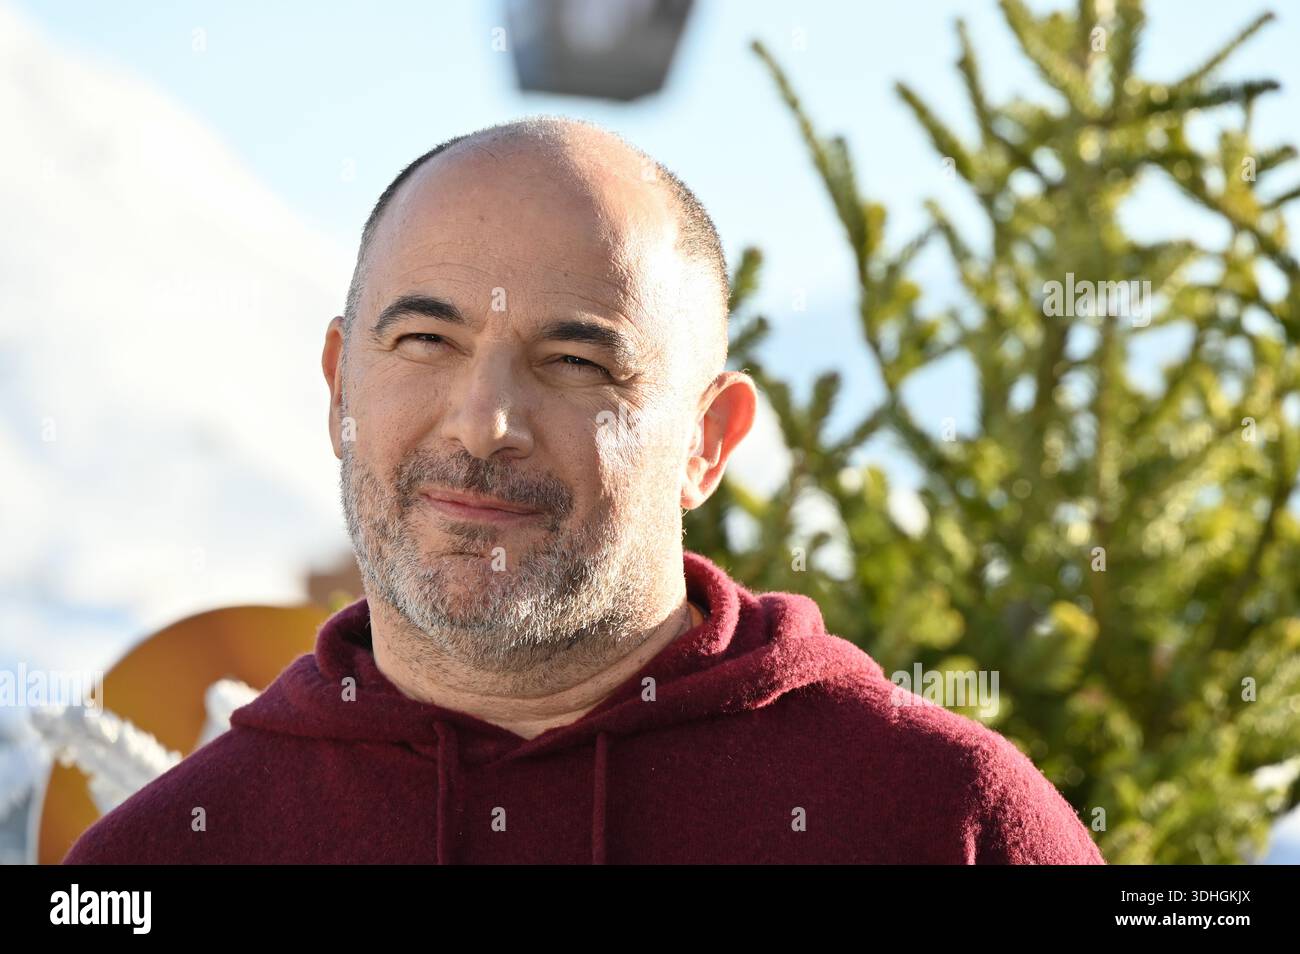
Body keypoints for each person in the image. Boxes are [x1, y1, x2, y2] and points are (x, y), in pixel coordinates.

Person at [63, 116, 1104, 864]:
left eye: (576, 362)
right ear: (341, 386)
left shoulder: (941, 820)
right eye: (425, 340)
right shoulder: (160, 857)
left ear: (707, 438)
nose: (483, 422)